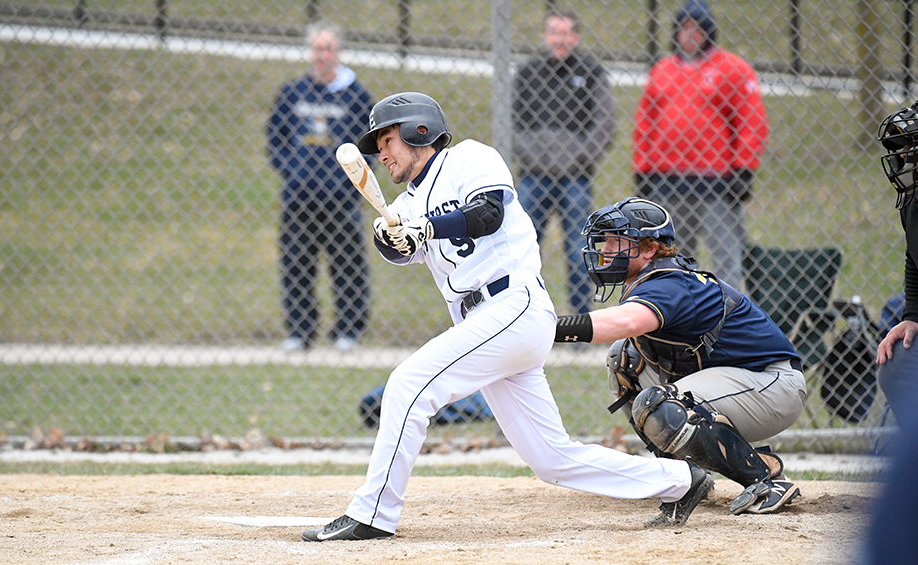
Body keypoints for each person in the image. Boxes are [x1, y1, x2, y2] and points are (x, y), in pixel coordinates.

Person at [301, 92, 713, 542]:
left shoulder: (469, 158)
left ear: (419, 130)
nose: (381, 154)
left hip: (512, 306)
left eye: (386, 139)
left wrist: (428, 228)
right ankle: (681, 480)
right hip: (486, 324)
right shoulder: (406, 204)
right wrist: (390, 236)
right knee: (553, 460)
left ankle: (374, 513)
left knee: (407, 386)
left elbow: (488, 215)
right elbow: (403, 250)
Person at [554, 197, 805, 515]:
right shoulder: (655, 279)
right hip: (738, 382)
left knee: (660, 404)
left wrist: (549, 327)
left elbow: (626, 322)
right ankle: (682, 476)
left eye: (617, 241)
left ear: (648, 249)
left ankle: (765, 479)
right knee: (624, 360)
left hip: (772, 384)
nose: (605, 250)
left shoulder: (669, 284)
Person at [631, 0, 768, 288]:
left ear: (708, 32)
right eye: (683, 29)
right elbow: (645, 123)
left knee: (725, 257)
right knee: (674, 257)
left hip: (717, 184)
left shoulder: (732, 69)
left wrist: (744, 168)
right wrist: (642, 169)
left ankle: (731, 319)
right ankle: (680, 318)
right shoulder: (663, 69)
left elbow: (750, 119)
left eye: (697, 29)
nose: (689, 35)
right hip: (668, 183)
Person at [267, 22, 373, 351]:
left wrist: (352, 178)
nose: (322, 55)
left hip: (341, 199)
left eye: (328, 48)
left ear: (337, 52)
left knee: (348, 264)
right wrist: (294, 170)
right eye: (317, 48)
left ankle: (348, 331)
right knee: (297, 264)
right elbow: (275, 138)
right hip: (299, 198)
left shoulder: (356, 96)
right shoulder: (292, 93)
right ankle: (300, 331)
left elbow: (372, 144)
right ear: (309, 52)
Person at [512, 9, 616, 315]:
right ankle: (521, 311)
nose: (560, 39)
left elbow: (605, 125)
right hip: (533, 177)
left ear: (576, 36)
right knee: (524, 248)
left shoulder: (592, 72)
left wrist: (577, 158)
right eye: (554, 32)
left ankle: (579, 319)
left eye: (566, 32)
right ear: (545, 35)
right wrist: (534, 156)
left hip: (576, 178)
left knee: (577, 250)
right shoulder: (528, 73)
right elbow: (510, 123)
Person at [857, 102, 918, 563]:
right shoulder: (914, 200)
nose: (901, 161)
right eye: (898, 150)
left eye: (909, 150)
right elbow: (913, 262)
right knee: (898, 368)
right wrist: (912, 314)